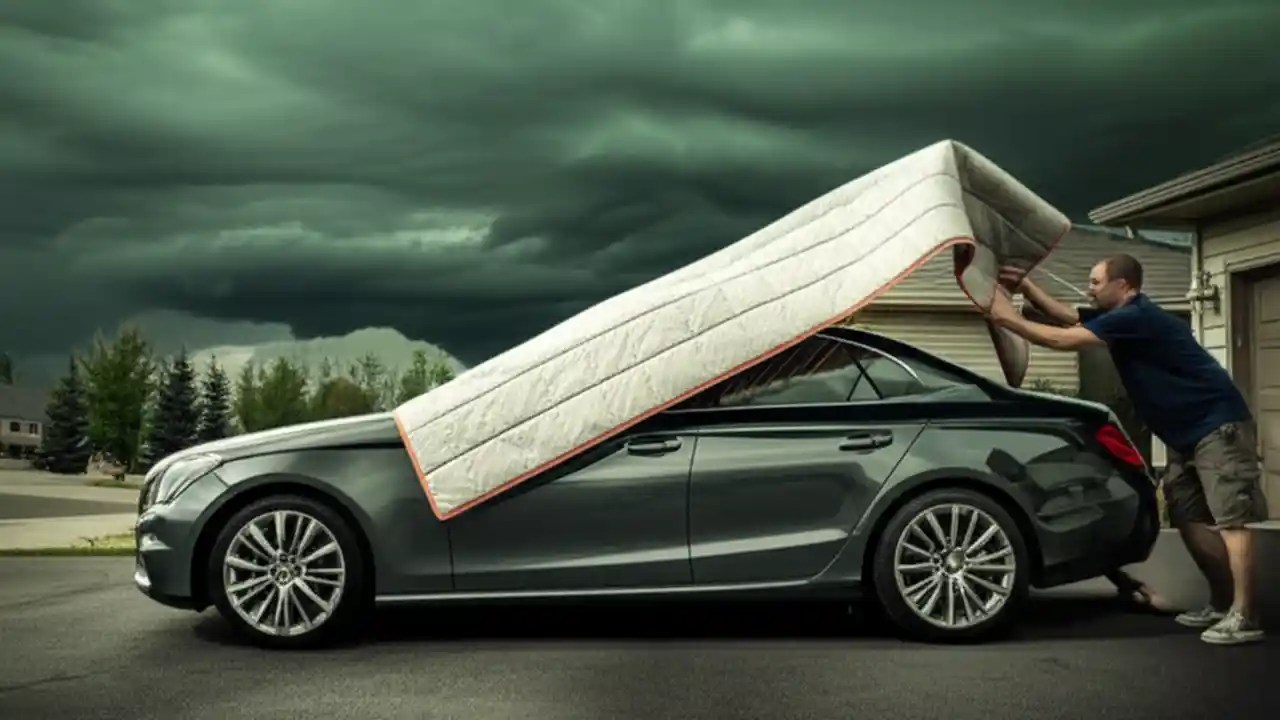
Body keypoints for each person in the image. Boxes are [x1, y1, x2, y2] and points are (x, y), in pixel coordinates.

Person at [987, 253, 1268, 645]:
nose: (1090, 287)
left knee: (1231, 520)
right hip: (1184, 435)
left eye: (1096, 281)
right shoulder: (1122, 320)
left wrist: (1005, 317)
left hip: (1217, 426)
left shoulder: (1136, 317)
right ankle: (1222, 603)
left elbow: (1061, 338)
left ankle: (1246, 614)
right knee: (1188, 517)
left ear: (1124, 286)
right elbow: (1073, 319)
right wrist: (1028, 288)